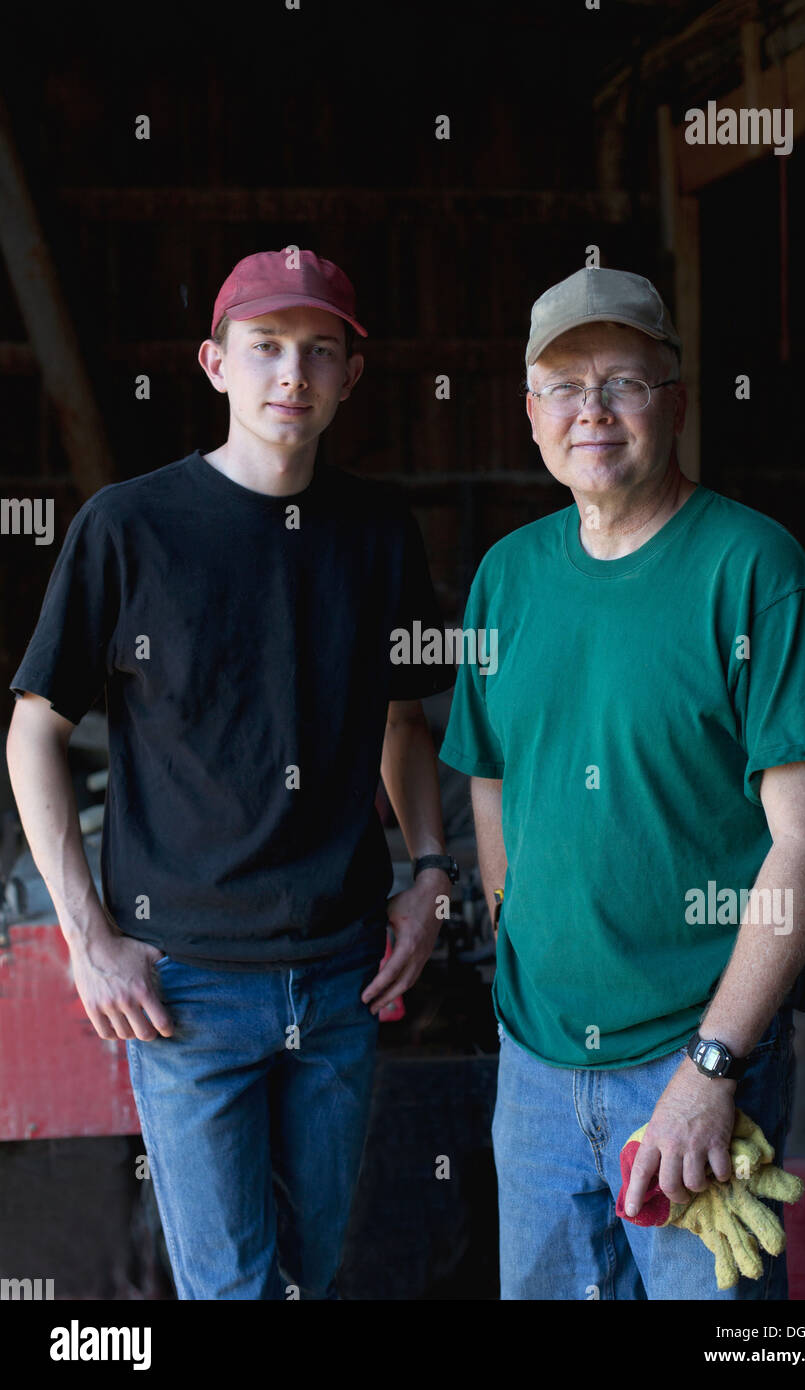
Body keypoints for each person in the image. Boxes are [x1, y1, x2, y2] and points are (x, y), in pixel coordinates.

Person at [6, 246, 458, 1300]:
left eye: (318, 350)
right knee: (235, 1289)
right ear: (215, 365)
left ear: (352, 373)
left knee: (310, 1269)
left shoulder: (378, 531)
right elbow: (33, 730)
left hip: (343, 973)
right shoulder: (129, 526)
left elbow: (403, 719)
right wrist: (89, 939)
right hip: (185, 986)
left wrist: (431, 874)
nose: (290, 373)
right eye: (265, 348)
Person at [438, 265, 805, 1300]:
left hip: (692, 1067)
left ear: (672, 401)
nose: (592, 409)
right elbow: (487, 775)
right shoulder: (506, 574)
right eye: (566, 386)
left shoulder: (752, 569)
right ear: (532, 413)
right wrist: (518, 941)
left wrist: (712, 1068)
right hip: (535, 1070)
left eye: (623, 381)